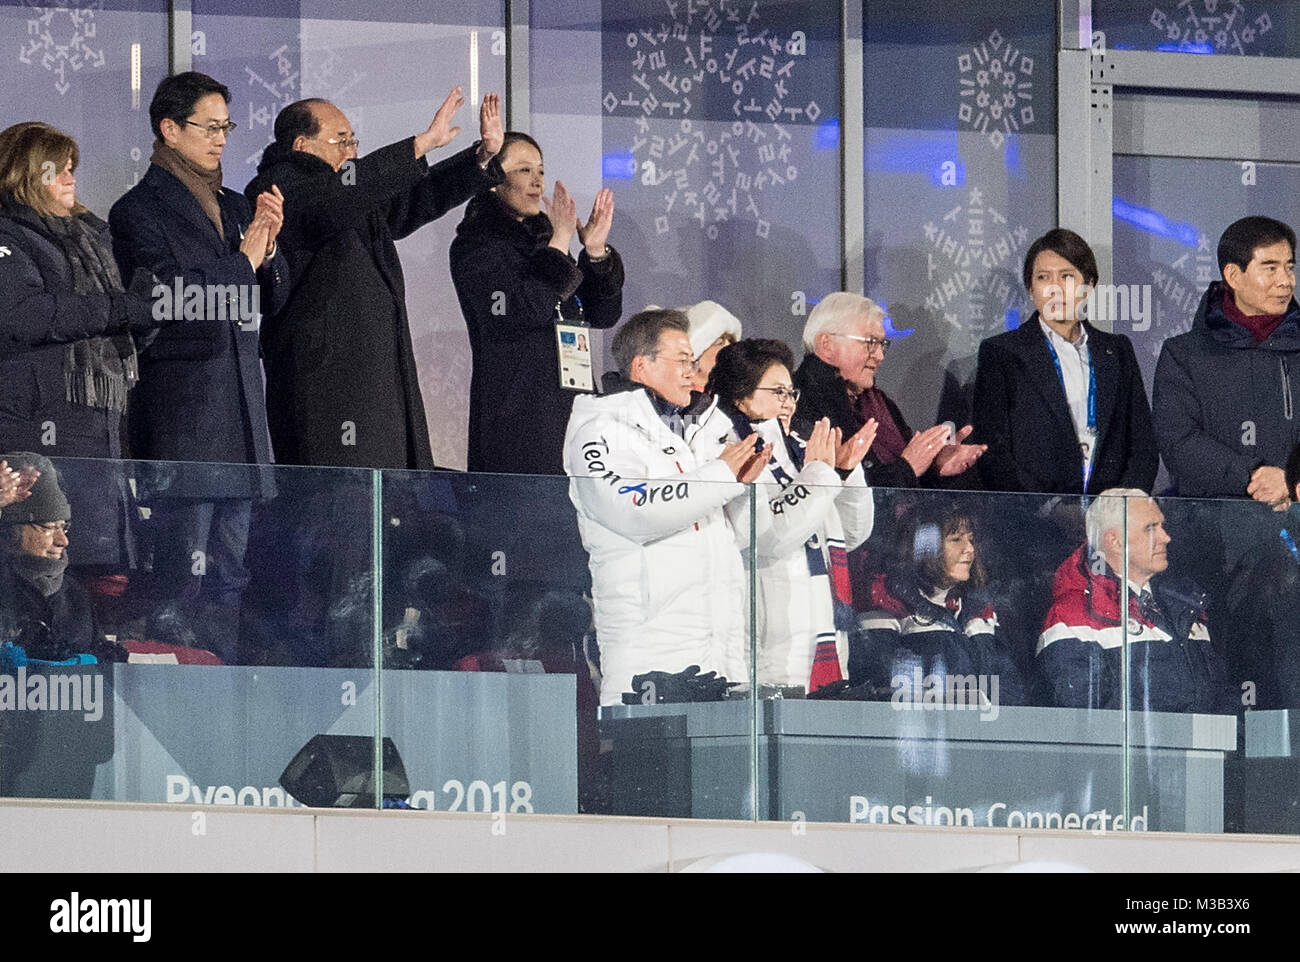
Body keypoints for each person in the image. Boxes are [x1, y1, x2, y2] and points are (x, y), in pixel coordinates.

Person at [109, 72, 289, 662]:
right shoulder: (138, 211)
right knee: (181, 583)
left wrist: (269, 250)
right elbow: (166, 303)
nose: (220, 141)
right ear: (169, 129)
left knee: (232, 578)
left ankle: (224, 689)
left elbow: (270, 300)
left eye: (225, 128)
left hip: (241, 420)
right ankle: (173, 692)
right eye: (209, 128)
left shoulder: (237, 205)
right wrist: (242, 261)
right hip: (186, 421)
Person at [246, 88, 504, 469]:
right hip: (328, 391)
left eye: (354, 140)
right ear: (301, 145)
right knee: (339, 510)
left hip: (375, 388)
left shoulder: (350, 193)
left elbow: (416, 197)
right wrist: (420, 144)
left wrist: (480, 159)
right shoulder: (282, 187)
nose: (352, 149)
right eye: (341, 140)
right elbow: (336, 200)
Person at [562, 309, 768, 706]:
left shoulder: (705, 429)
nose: (693, 371)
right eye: (682, 360)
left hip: (722, 663)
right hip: (649, 668)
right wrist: (722, 477)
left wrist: (742, 485)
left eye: (694, 361)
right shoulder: (599, 430)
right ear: (642, 365)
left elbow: (743, 537)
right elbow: (634, 511)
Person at [0, 122, 165, 569]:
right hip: (36, 426)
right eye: (59, 170)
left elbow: (116, 326)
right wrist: (122, 308)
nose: (72, 178)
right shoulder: (7, 235)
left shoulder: (92, 236)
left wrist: (145, 314)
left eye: (73, 168)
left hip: (100, 429)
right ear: (26, 175)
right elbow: (25, 315)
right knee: (46, 570)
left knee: (101, 569)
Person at [703, 338, 876, 692]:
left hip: (823, 636)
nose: (788, 403)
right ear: (741, 397)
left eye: (790, 393)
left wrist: (844, 473)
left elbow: (854, 533)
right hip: (770, 651)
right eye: (777, 392)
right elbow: (769, 537)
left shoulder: (802, 450)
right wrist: (821, 476)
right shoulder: (729, 453)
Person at [451, 130, 623, 475]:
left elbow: (602, 314)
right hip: (519, 415)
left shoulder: (542, 242)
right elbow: (521, 310)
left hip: (574, 408)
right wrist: (560, 240)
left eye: (541, 171)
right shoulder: (477, 245)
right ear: (494, 181)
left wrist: (594, 252)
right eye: (524, 171)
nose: (537, 183)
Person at [972, 228, 1158, 495]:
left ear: (1089, 285)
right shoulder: (1002, 353)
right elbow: (994, 452)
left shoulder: (1116, 351)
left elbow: (1142, 446)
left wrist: (1119, 508)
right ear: (1031, 289)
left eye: (1067, 276)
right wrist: (1051, 509)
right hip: (1033, 520)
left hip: (1111, 522)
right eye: (1043, 277)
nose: (1055, 288)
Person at [1036, 489, 1230, 712]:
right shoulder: (1072, 617)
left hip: (1204, 744)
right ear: (1115, 542)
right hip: (1142, 746)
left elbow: (1222, 693)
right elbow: (1086, 716)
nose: (1166, 537)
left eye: (1162, 526)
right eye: (1150, 528)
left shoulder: (1185, 603)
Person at [1153, 216, 1300, 502]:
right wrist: (1252, 476)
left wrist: (1289, 480)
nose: (1285, 281)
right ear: (1233, 276)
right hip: (1211, 530)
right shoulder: (1183, 354)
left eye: (1289, 267)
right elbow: (1179, 442)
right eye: (1270, 268)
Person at [793, 292, 985, 488]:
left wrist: (935, 466)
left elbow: (906, 475)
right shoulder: (798, 403)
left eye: (881, 344)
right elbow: (833, 490)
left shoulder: (876, 401)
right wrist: (907, 468)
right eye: (869, 343)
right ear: (826, 344)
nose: (879, 356)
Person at [855, 499, 1027, 704]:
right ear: (923, 547)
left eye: (971, 540)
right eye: (956, 540)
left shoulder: (980, 611)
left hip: (983, 731)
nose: (969, 549)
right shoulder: (886, 607)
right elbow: (877, 693)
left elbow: (1011, 687)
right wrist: (947, 703)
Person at [0, 453, 125, 664]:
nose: (63, 541)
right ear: (10, 531)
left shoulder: (74, 595)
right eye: (48, 527)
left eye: (64, 526)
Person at [686, 300, 742, 393]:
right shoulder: (679, 402)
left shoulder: (732, 399)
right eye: (719, 343)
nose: (729, 349)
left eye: (731, 342)